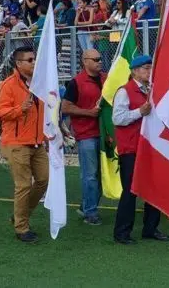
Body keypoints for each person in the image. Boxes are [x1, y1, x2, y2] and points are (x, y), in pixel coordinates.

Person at [112, 54, 169, 245]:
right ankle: (122, 232)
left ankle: (150, 228)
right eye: (145, 68)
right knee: (130, 191)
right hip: (131, 148)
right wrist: (139, 112)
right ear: (134, 71)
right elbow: (117, 118)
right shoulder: (124, 91)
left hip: (149, 147)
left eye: (150, 68)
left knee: (154, 188)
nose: (149, 71)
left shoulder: (150, 91)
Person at [0, 46, 49, 243]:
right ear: (19, 64)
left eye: (34, 59)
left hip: (36, 142)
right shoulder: (8, 84)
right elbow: (0, 113)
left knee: (44, 180)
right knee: (23, 185)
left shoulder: (39, 83)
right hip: (17, 142)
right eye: (30, 60)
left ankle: (19, 216)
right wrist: (20, 109)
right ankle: (21, 227)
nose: (34, 62)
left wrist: (46, 135)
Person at [62, 48, 105, 226]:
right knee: (90, 175)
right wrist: (89, 113)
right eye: (95, 59)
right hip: (87, 134)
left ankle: (86, 206)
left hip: (104, 134)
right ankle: (90, 212)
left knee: (102, 175)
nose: (99, 61)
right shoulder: (76, 83)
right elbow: (65, 108)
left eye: (100, 58)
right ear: (85, 61)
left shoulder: (106, 78)